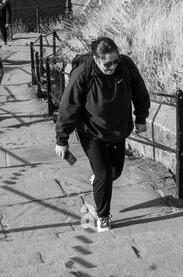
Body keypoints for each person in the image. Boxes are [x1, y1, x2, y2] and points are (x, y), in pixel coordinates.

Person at [55, 36, 150, 231]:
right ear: (96, 59)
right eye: (107, 63)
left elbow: (140, 91)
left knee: (115, 172)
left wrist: (141, 117)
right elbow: (68, 106)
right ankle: (103, 216)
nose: (113, 66)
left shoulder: (126, 65)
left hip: (117, 129)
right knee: (104, 173)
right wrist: (61, 139)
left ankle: (99, 181)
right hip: (91, 132)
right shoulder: (83, 73)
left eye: (115, 61)